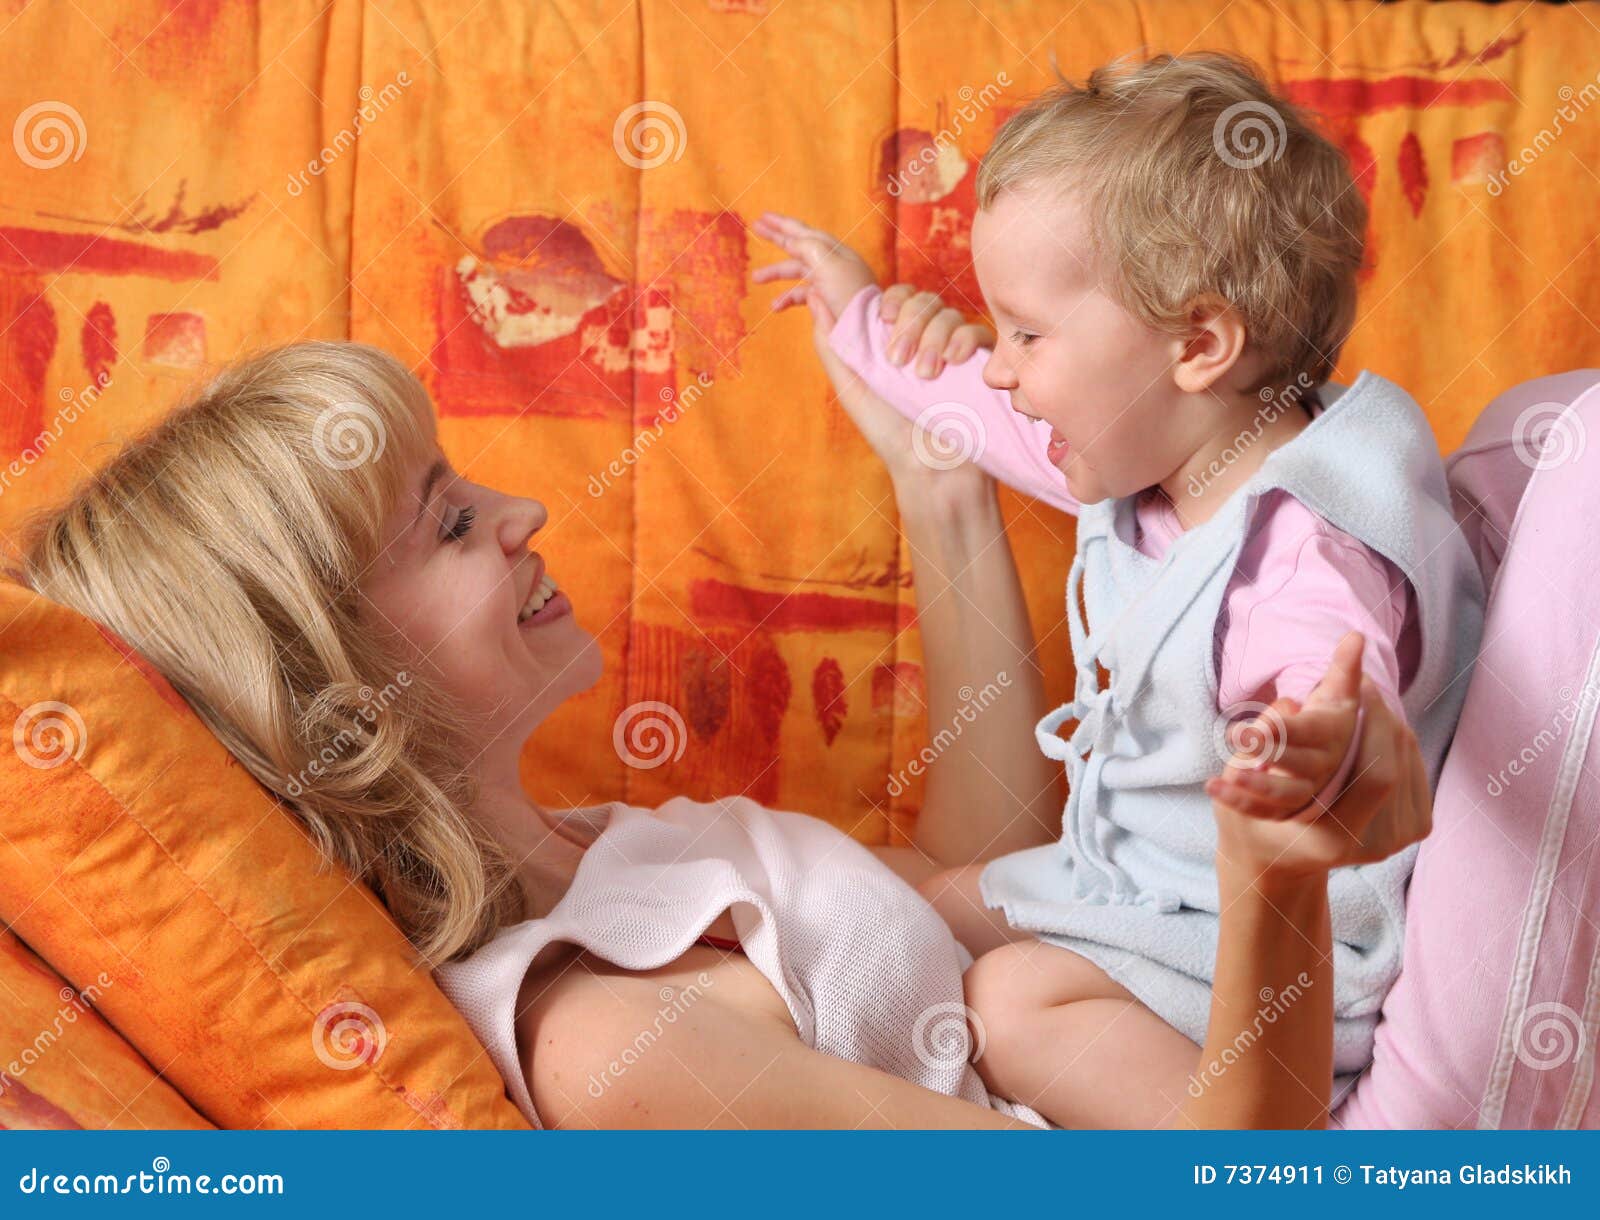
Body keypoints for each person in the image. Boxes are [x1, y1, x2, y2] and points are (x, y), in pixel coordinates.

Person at [13, 334, 1428, 1131]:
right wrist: (1274, 883)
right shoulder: (590, 1032)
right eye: (449, 524)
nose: (523, 514)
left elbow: (958, 875)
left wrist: (937, 490)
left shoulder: (613, 855)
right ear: (336, 696)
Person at [752, 50, 1484, 1126]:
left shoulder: (1303, 544)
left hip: (1264, 962)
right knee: (889, 896)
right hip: (1129, 884)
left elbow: (1334, 675)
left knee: (1011, 996)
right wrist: (860, 314)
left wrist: (1310, 737)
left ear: (1197, 342)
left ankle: (1252, 1155)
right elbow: (965, 398)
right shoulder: (1154, 431)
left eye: (1027, 333)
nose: (1000, 367)